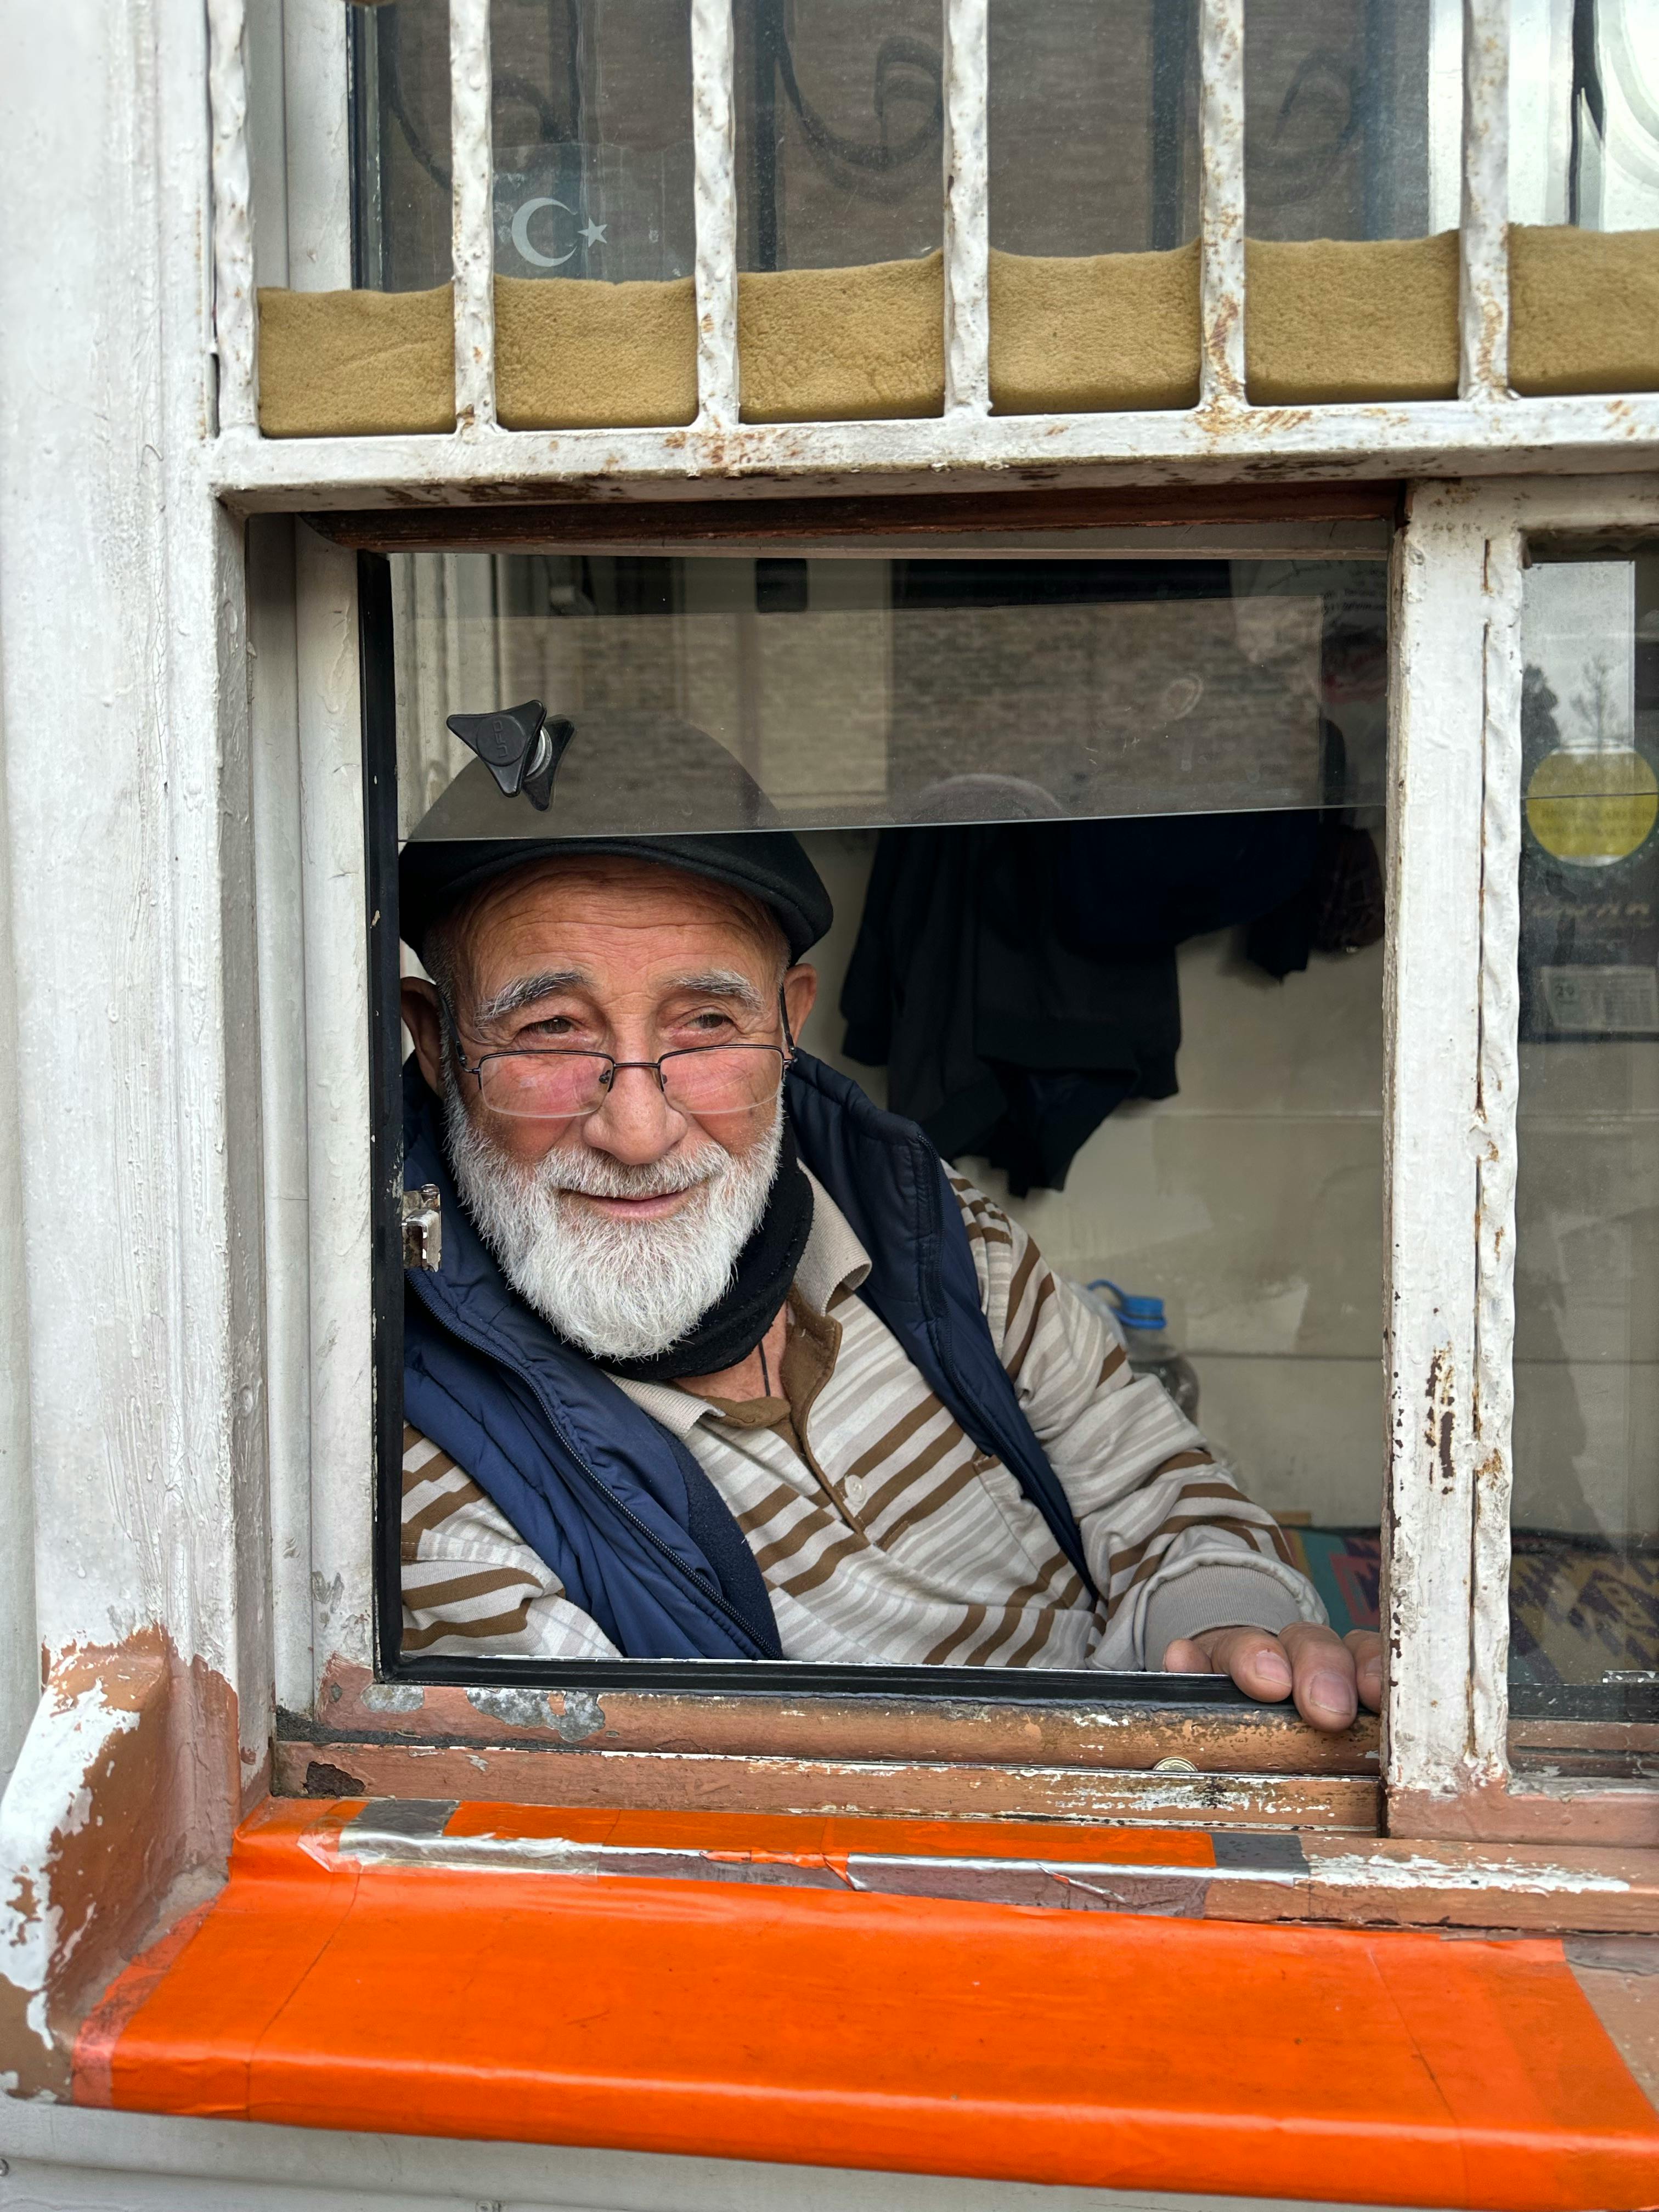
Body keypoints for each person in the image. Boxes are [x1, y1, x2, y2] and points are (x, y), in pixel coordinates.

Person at [394, 717, 1381, 1730]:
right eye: (551, 1030)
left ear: (790, 1024)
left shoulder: (918, 1223)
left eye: (707, 1025)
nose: (639, 1131)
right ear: (436, 1042)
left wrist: (1228, 1635)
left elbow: (1162, 1496)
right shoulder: (432, 1484)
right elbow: (657, 1843)